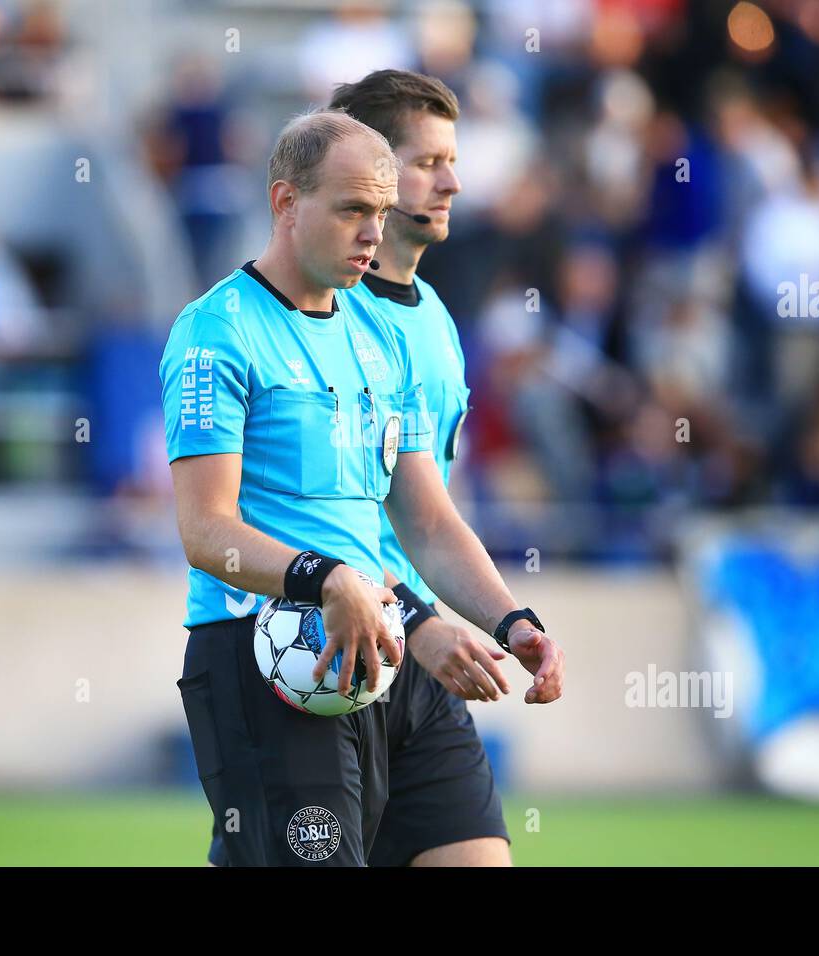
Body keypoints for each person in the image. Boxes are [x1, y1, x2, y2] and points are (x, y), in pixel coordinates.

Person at [160, 109, 563, 866]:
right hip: (263, 653)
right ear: (286, 203)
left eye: (380, 211)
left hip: (374, 653)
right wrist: (326, 579)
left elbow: (427, 521)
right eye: (352, 210)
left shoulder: (380, 336)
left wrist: (512, 619)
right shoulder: (217, 331)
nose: (373, 233)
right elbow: (205, 530)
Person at [332, 69, 565, 867]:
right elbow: (319, 514)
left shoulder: (434, 319)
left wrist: (510, 619)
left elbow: (427, 516)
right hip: (323, 645)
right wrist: (418, 621)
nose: (452, 182)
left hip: (415, 653)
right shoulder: (319, 313)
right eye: (428, 161)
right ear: (371, 174)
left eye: (453, 161)